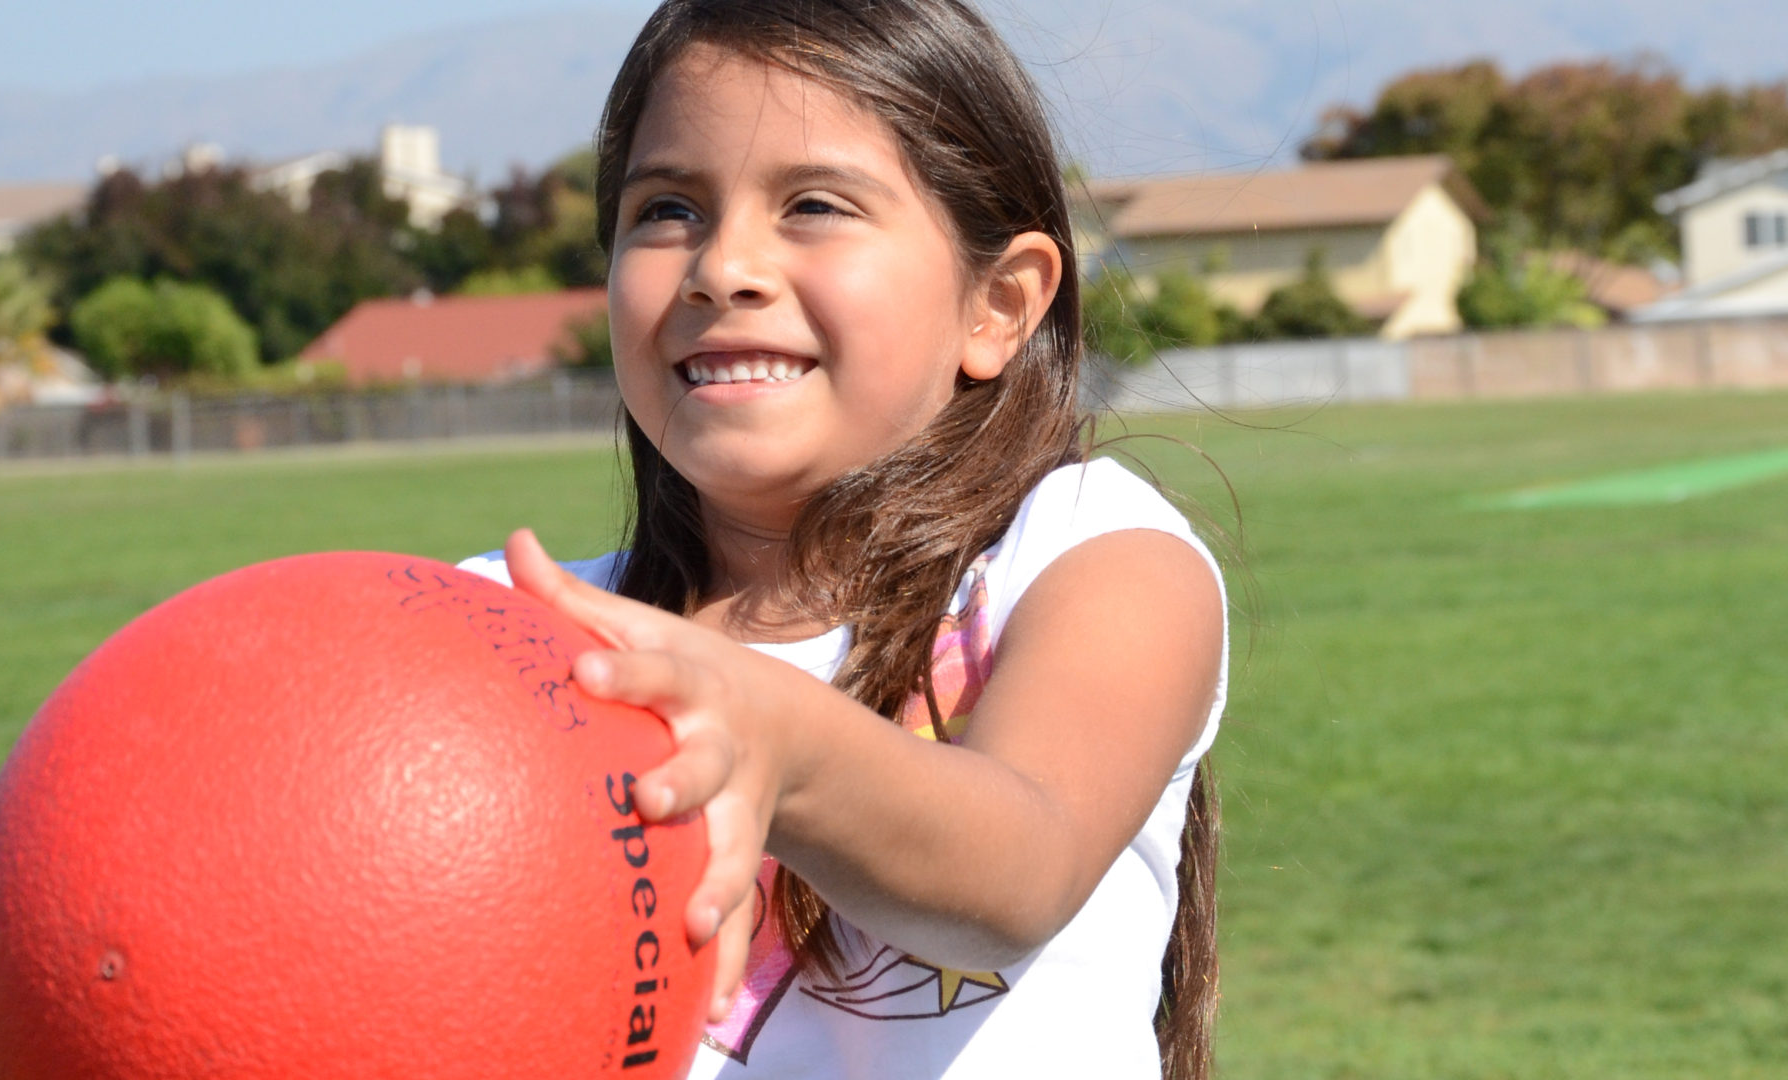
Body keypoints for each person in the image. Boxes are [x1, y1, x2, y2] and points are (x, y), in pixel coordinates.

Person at [459, 1, 1229, 1075]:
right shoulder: (504, 634)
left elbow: (1017, 869)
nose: (723, 266)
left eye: (814, 205)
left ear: (999, 305)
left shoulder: (1091, 555)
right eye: (667, 209)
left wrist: (772, 738)